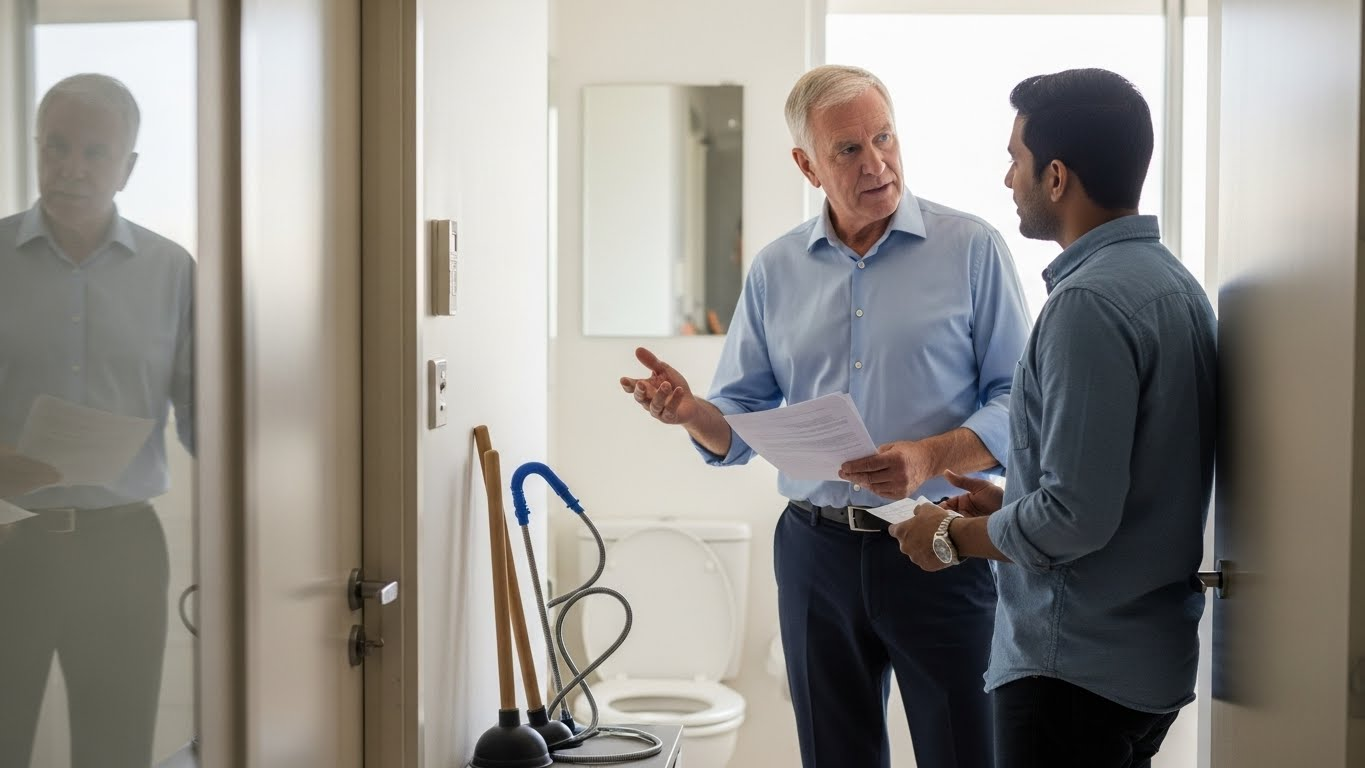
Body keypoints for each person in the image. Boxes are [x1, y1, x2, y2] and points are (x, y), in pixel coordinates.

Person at [620, 64, 1030, 768]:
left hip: (940, 544)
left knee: (967, 751)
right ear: (806, 165)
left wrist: (928, 457)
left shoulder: (971, 249)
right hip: (815, 553)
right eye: (847, 150)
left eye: (884, 138)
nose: (875, 163)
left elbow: (1019, 404)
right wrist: (691, 412)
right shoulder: (775, 270)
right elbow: (741, 418)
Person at [890, 68, 1217, 768]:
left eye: (1016, 158)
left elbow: (1074, 518)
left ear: (1057, 177)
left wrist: (951, 536)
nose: (1008, 178)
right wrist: (1009, 500)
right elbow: (1128, 490)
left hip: (1071, 675)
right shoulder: (1172, 286)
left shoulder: (1085, 306)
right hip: (1142, 667)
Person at [0, 73, 195, 767]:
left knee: (115, 752)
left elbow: (205, 420)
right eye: (56, 146)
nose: (71, 168)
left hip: (124, 552)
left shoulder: (174, 272)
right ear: (37, 148)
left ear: (128, 167)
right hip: (7, 542)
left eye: (93, 152)